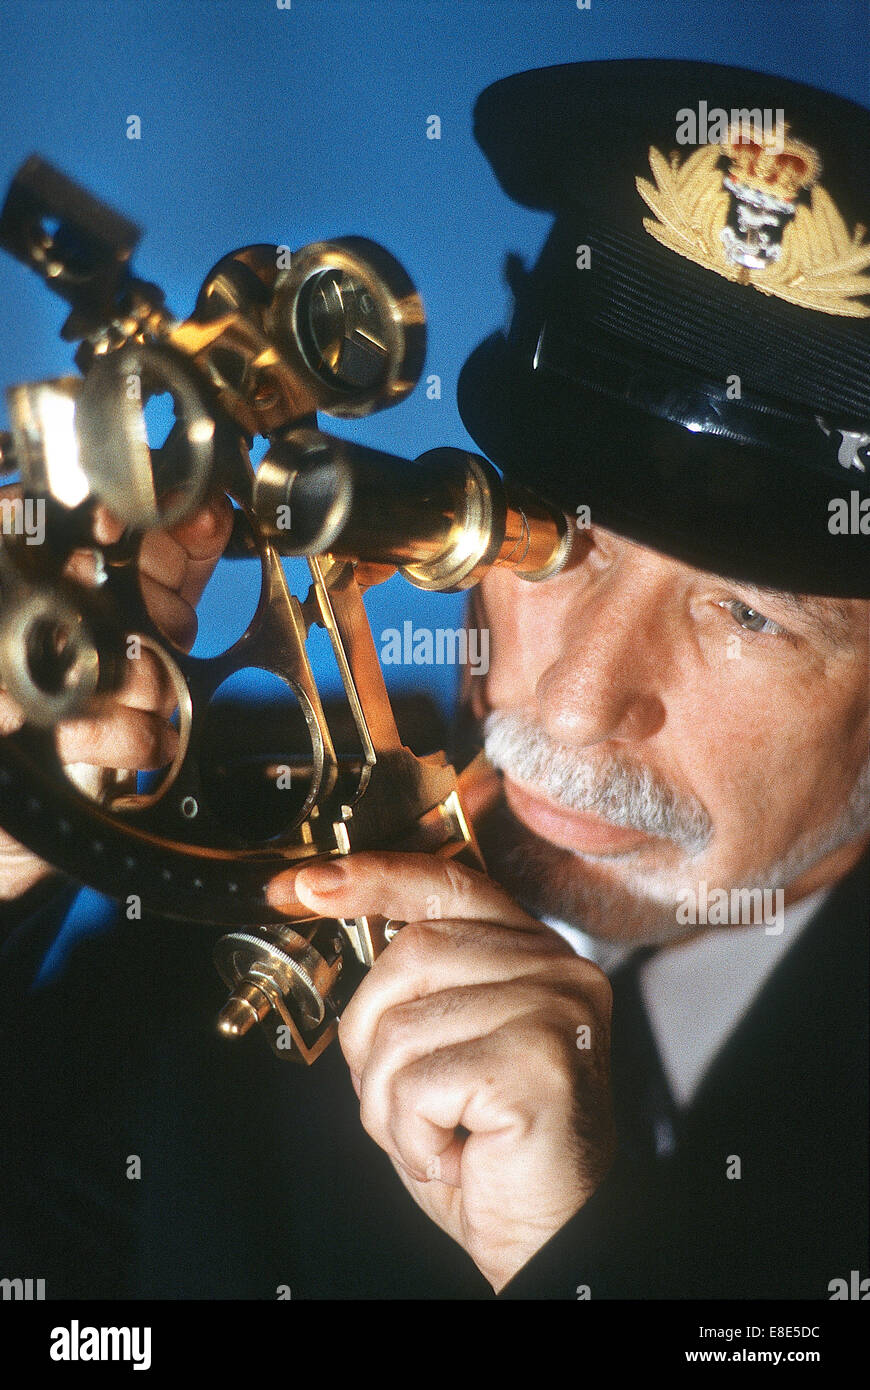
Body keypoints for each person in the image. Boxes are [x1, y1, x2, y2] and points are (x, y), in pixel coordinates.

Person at [0, 58, 867, 1300]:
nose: (569, 706)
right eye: (553, 544)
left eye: (746, 614)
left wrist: (579, 1266)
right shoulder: (230, 850)